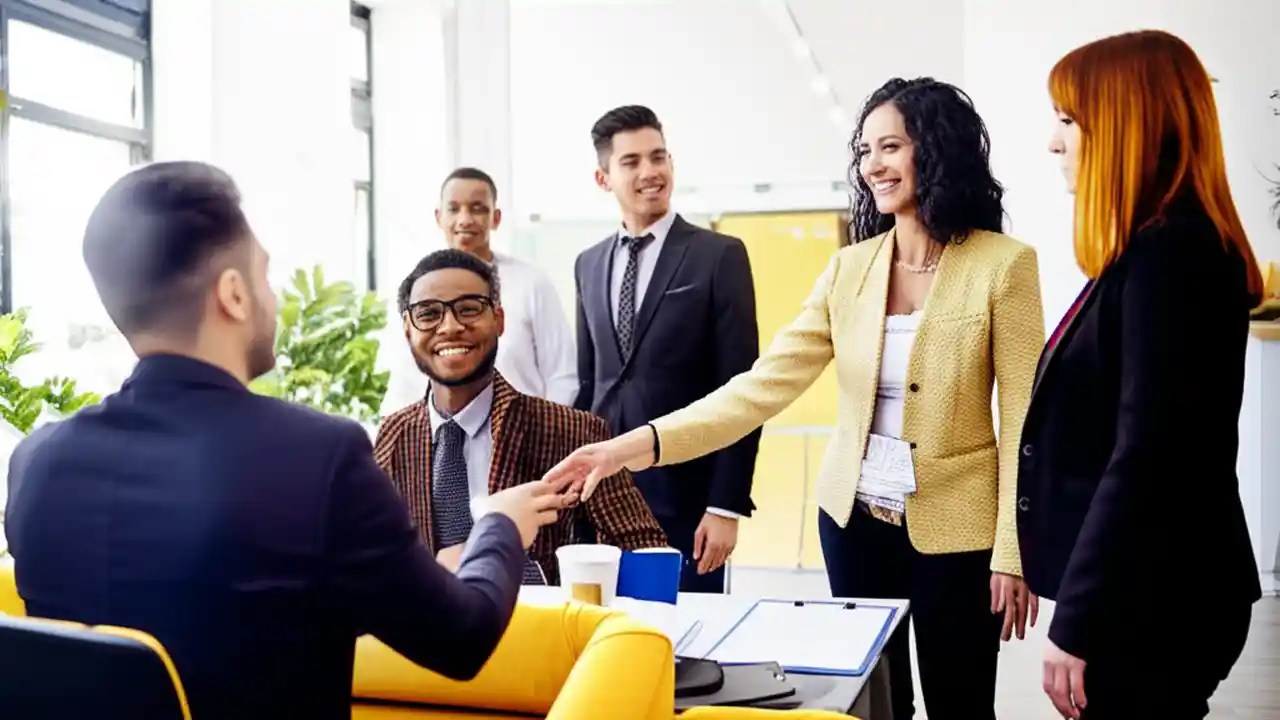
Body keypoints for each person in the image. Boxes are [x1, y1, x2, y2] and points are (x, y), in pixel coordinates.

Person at [2, 161, 575, 719]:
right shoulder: (316, 457)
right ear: (233, 294)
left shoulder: (37, 461)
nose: (272, 298)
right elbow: (462, 639)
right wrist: (499, 523)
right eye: (263, 275)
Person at [550, 80, 1045, 719]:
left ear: (938, 148)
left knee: (962, 704)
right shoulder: (851, 268)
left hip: (961, 531)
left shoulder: (1004, 266)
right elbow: (758, 389)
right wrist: (628, 448)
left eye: (890, 147)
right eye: (865, 150)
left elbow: (1027, 422)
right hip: (854, 525)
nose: (872, 166)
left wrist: (1015, 550)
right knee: (874, 702)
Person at [1024, 30, 1263, 720]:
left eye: (1068, 119)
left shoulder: (1174, 257)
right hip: (1150, 590)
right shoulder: (1150, 253)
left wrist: (1078, 621)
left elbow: (1148, 459)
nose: (1053, 141)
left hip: (1155, 600)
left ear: (1126, 124)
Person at [375, 249, 668, 584]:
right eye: (428, 314)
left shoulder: (572, 433)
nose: (450, 326)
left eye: (469, 309)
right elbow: (364, 565)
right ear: (407, 330)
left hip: (545, 631)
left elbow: (646, 555)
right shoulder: (392, 437)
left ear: (499, 320)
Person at [573, 105, 761, 593]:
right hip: (603, 500)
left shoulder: (718, 256)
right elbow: (590, 386)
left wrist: (726, 506)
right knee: (604, 638)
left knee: (688, 651)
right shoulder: (587, 265)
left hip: (688, 499)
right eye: (631, 161)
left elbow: (742, 391)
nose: (650, 172)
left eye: (658, 157)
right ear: (603, 177)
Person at [380, 167, 577, 414]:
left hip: (524, 437)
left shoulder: (531, 283)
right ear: (438, 217)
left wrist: (545, 434)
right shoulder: (415, 289)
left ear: (496, 217)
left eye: (477, 208)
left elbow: (561, 376)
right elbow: (403, 383)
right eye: (454, 209)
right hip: (438, 441)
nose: (465, 219)